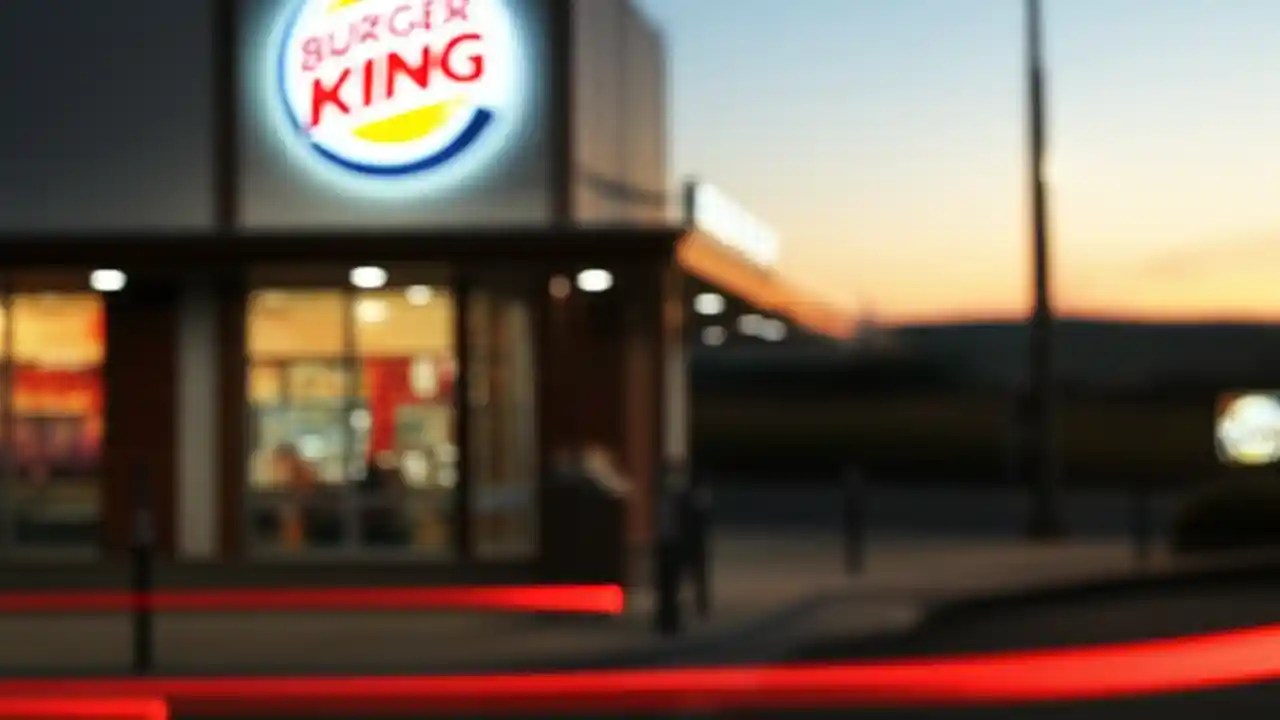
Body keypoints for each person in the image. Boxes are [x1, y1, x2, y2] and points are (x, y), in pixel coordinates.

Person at [270, 444, 318, 550]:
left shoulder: (304, 472)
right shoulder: (284, 475)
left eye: (281, 461)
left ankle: (293, 546)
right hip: (296, 511)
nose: (279, 466)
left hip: (306, 511)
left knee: (290, 512)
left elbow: (307, 493)